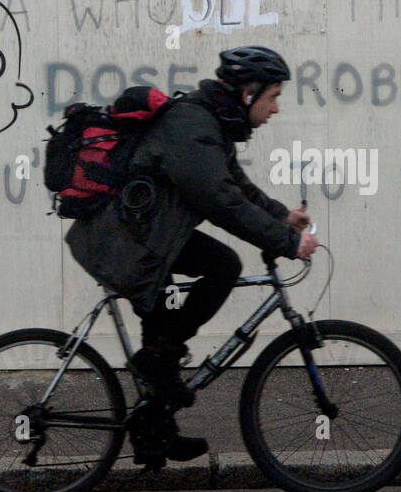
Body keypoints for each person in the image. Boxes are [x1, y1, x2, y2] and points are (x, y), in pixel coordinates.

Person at [65, 45, 319, 465]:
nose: (276, 109)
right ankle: (155, 371)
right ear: (247, 93)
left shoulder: (211, 124)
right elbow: (219, 200)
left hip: (146, 238)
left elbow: (236, 186)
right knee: (221, 268)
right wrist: (285, 243)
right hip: (126, 242)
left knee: (164, 335)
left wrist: (282, 217)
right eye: (273, 96)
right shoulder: (193, 126)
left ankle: (155, 432)